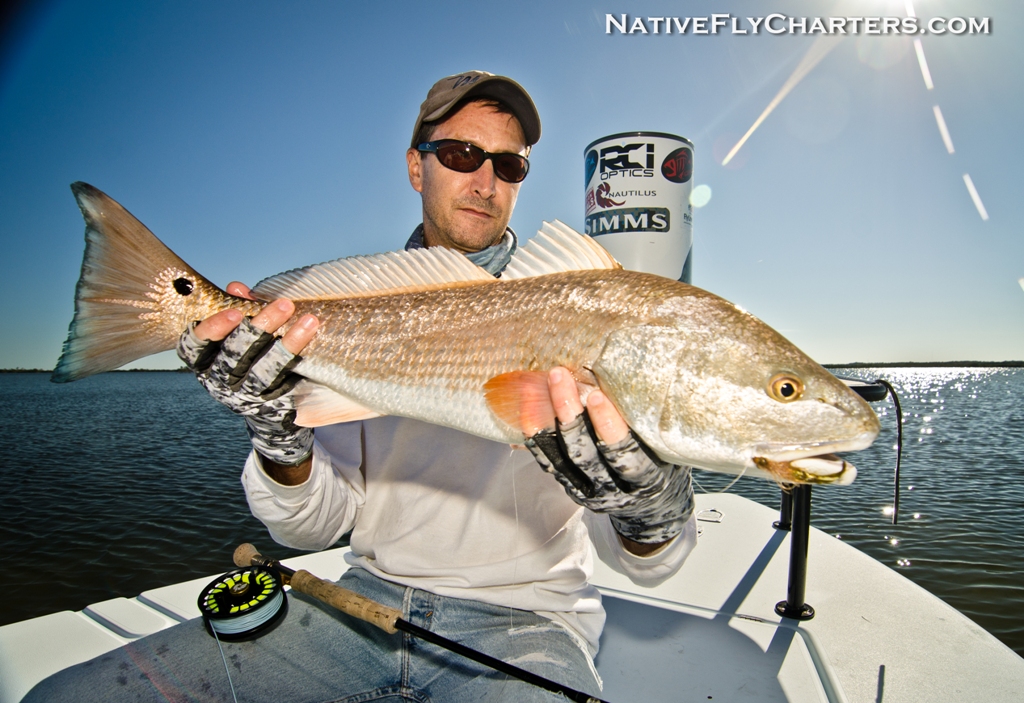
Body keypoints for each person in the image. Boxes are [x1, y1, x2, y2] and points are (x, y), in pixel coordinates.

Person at [25, 71, 696, 703]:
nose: (487, 180)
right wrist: (278, 437)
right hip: (358, 604)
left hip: (532, 626)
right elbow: (317, 522)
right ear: (416, 166)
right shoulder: (354, 310)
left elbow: (643, 563)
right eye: (462, 154)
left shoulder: (595, 316)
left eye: (509, 163)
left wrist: (652, 506)